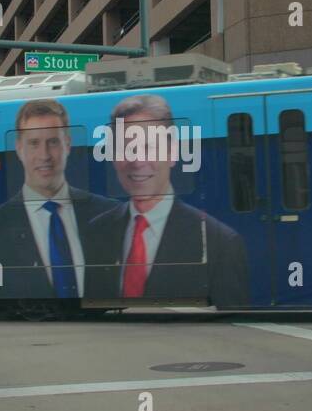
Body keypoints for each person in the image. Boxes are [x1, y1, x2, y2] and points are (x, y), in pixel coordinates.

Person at [85, 94, 250, 308]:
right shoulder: (95, 232)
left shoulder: (221, 242)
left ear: (173, 152)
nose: (137, 161)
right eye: (126, 148)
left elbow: (233, 318)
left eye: (149, 147)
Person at [0, 99, 117, 301]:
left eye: (53, 142)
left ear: (67, 145)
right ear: (19, 149)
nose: (44, 155)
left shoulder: (110, 215)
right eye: (34, 143)